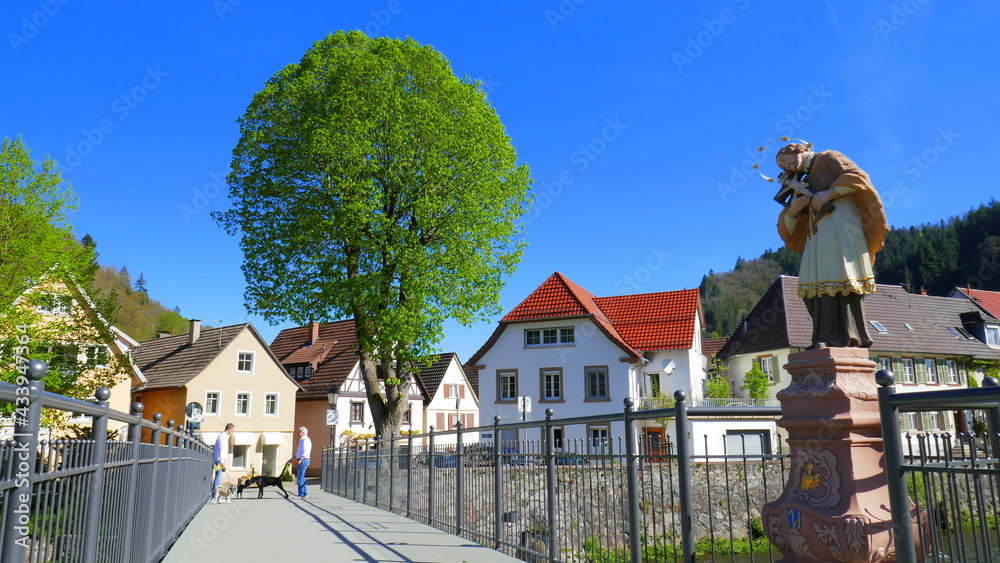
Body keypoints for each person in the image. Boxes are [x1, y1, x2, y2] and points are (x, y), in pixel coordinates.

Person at [775, 143, 888, 348]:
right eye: (782, 166)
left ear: (797, 150)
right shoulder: (802, 182)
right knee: (815, 280)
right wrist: (792, 211)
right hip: (816, 234)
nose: (787, 167)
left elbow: (858, 176)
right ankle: (823, 336)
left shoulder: (829, 157)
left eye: (785, 160)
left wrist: (830, 193)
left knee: (838, 275)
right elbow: (791, 222)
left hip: (840, 226)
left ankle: (847, 336)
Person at [211, 423, 234, 501]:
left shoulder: (222, 436)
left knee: (218, 477)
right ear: (230, 429)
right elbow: (221, 449)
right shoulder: (223, 437)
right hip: (219, 460)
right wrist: (222, 461)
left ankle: (215, 496)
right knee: (218, 477)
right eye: (232, 430)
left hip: (218, 459)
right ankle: (214, 496)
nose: (232, 431)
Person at [294, 426, 312, 498]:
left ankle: (301, 494)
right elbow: (299, 451)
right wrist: (293, 458)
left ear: (303, 433)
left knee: (300, 477)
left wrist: (300, 459)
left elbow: (306, 451)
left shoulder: (305, 440)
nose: (298, 433)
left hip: (304, 460)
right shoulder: (301, 440)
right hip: (302, 459)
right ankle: (304, 493)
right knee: (301, 477)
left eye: (299, 432)